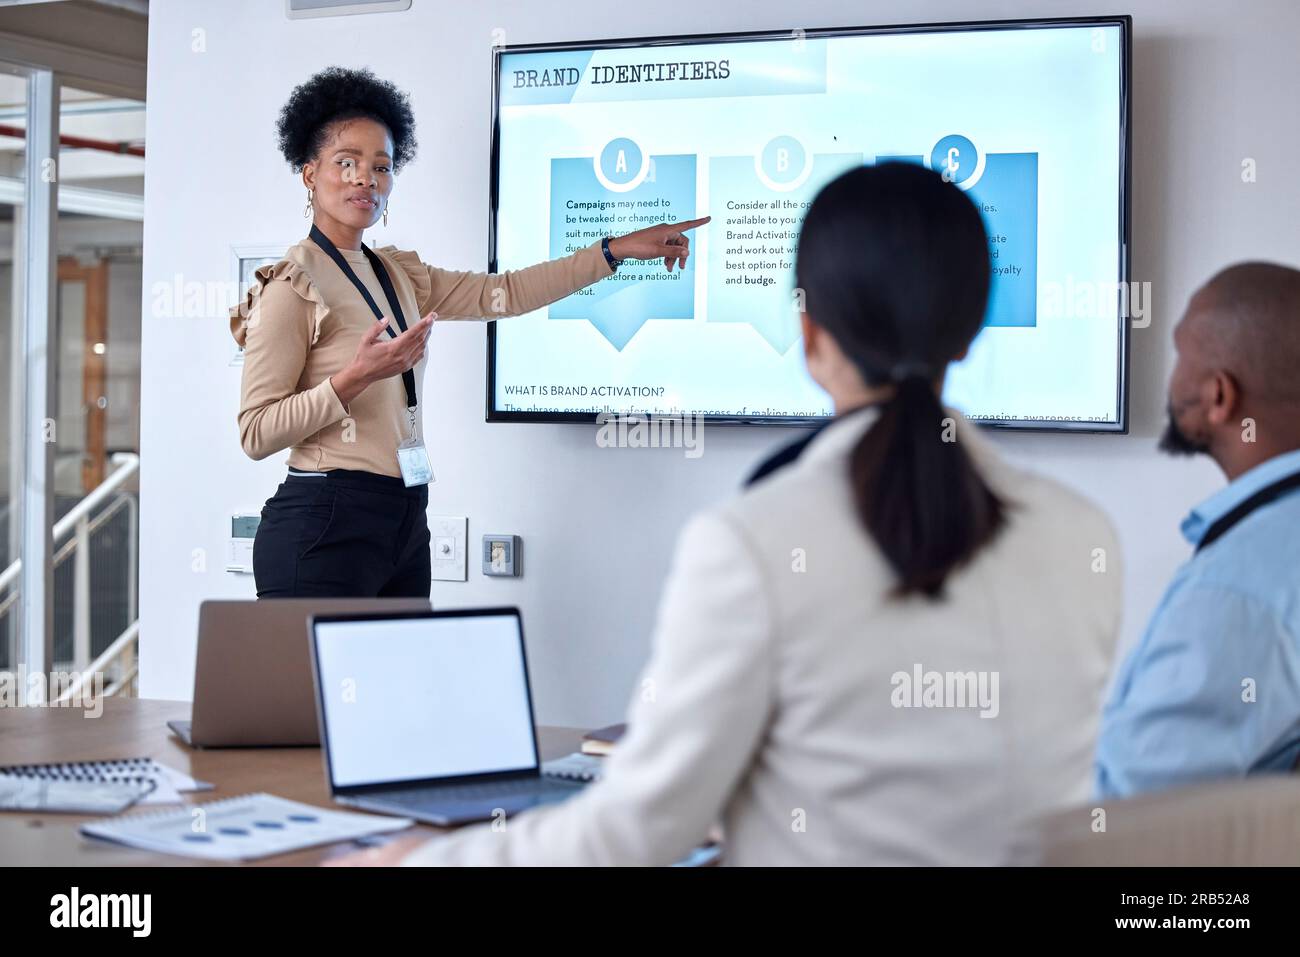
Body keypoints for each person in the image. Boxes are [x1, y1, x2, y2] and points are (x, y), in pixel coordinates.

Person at [331, 162, 1121, 867]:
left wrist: (410, 862)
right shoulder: (1084, 535)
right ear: (976, 322)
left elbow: (634, 834)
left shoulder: (754, 542)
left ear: (808, 331)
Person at [229, 66, 707, 598]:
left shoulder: (395, 273)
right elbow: (256, 432)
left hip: (404, 514)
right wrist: (354, 379)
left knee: (404, 682)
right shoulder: (292, 285)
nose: (366, 178)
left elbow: (503, 293)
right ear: (310, 172)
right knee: (312, 685)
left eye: (381, 167)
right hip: (324, 519)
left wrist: (613, 250)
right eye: (347, 162)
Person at [1095, 263, 1300, 798]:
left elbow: (1129, 818)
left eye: (1181, 354)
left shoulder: (1239, 592)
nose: (1172, 377)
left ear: (1218, 397)